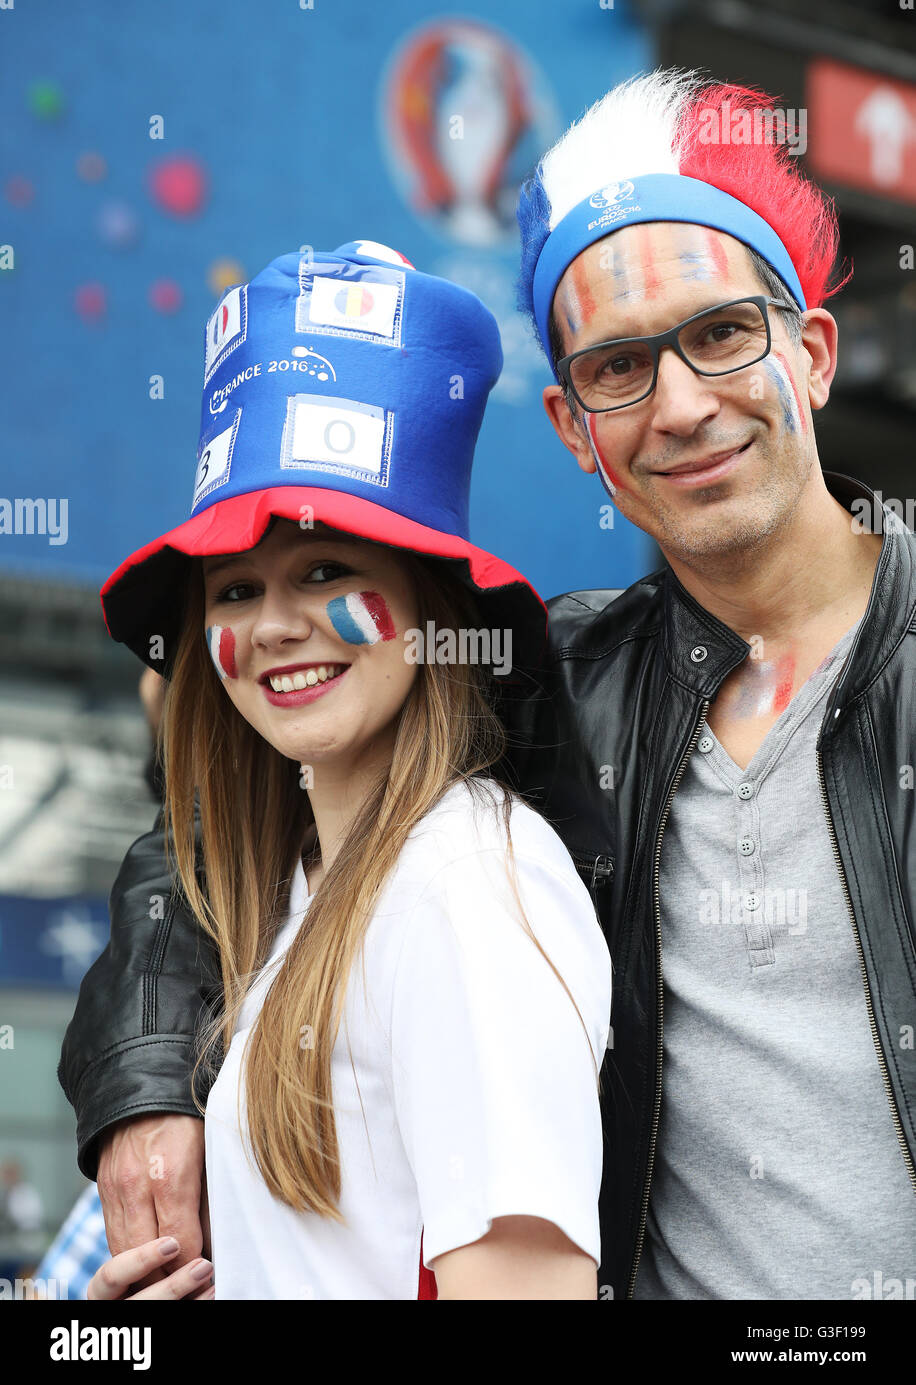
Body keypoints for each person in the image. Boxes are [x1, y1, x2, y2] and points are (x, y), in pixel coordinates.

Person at [61, 69, 916, 1301]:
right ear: (573, 429)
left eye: (722, 333)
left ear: (814, 352)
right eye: (619, 367)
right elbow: (212, 832)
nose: (680, 405)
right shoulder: (554, 683)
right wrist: (147, 1082)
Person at [70, 240, 612, 1300]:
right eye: (231, 590)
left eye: (327, 570)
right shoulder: (301, 888)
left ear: (431, 608)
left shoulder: (468, 885)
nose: (275, 625)